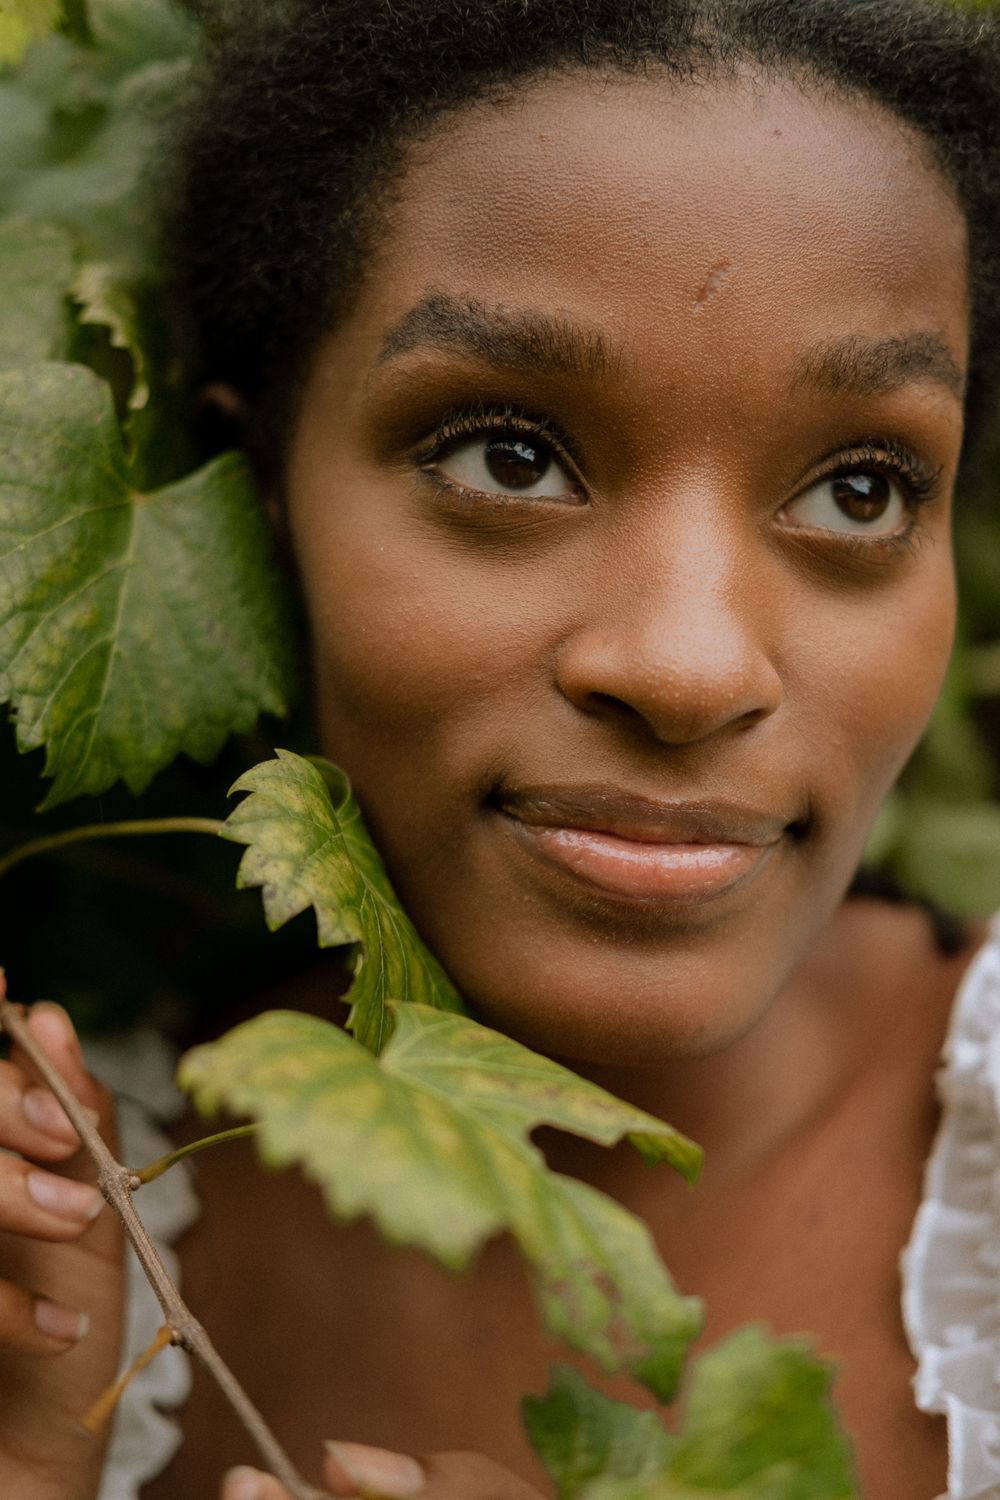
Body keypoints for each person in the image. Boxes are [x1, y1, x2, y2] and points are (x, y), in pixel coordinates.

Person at [1, 0, 999, 1496]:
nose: (688, 665)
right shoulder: (72, 1244)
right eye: (508, 458)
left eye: (861, 491)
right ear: (262, 498)